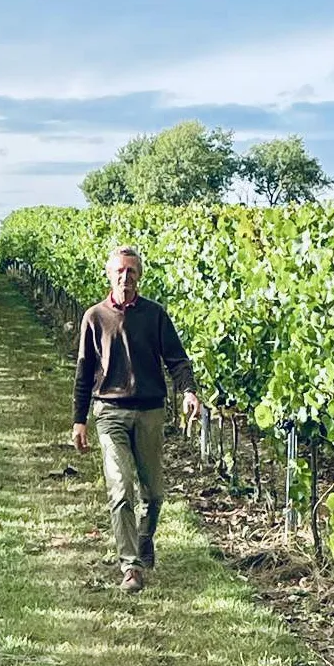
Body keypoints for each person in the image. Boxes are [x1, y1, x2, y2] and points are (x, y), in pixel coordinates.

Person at [72, 246, 200, 593]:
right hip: (109, 411)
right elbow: (84, 372)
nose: (125, 277)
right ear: (109, 275)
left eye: (131, 271)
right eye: (119, 271)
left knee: (154, 493)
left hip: (150, 411)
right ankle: (130, 566)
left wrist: (188, 391)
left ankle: (144, 538)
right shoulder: (94, 317)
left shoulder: (154, 315)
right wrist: (79, 419)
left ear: (139, 275)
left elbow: (177, 359)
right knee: (120, 488)